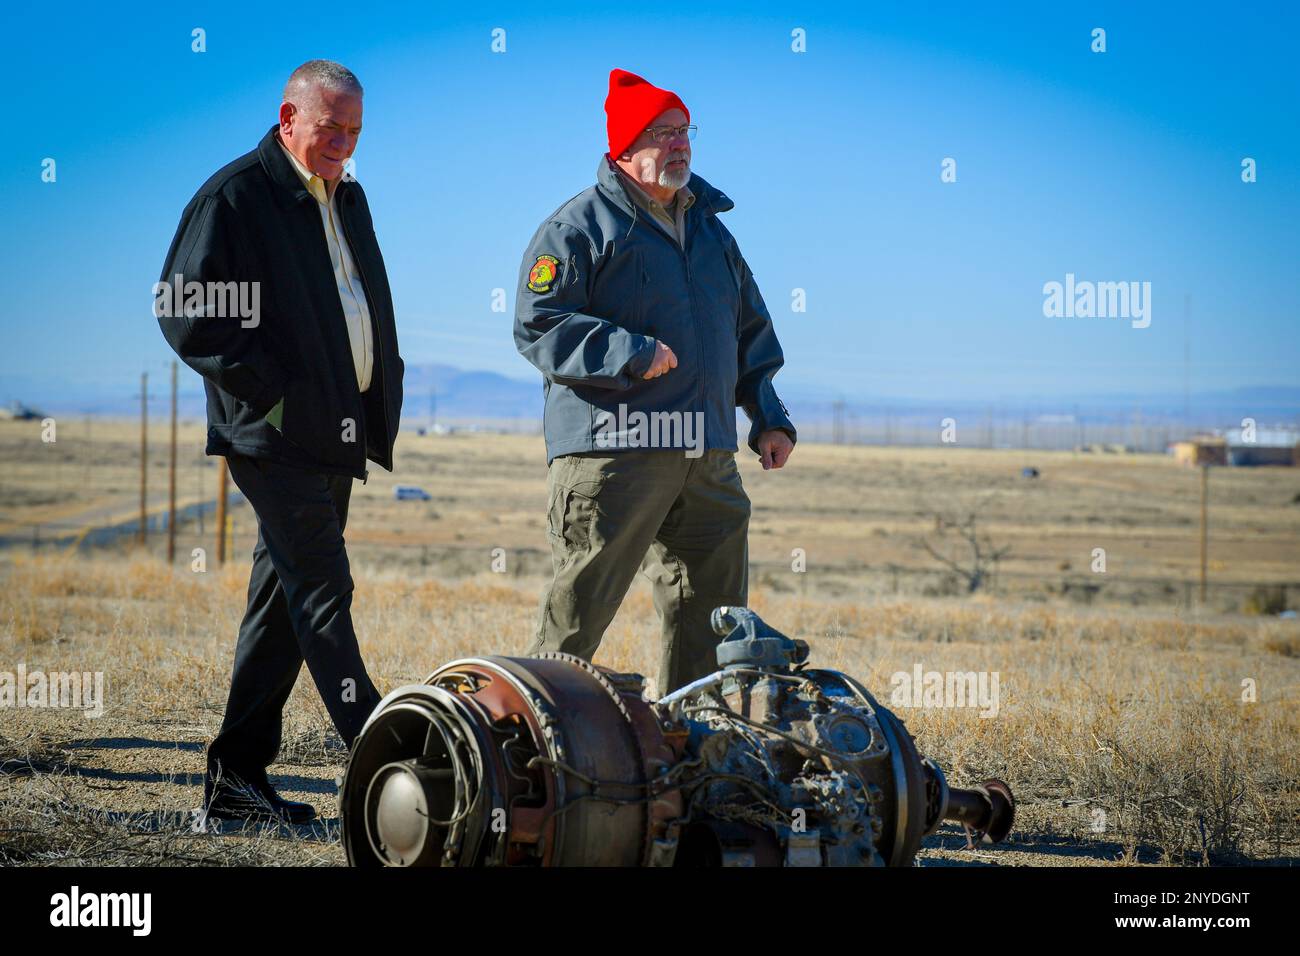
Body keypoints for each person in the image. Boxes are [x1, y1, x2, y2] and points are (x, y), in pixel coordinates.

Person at [156, 59, 403, 825]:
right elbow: (184, 308)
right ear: (289, 117)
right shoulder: (235, 197)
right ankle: (392, 766)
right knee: (325, 591)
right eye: (331, 128)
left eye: (356, 131)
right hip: (274, 436)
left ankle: (234, 784)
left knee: (283, 605)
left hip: (336, 434)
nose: (343, 144)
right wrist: (276, 396)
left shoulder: (346, 197)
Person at [513, 68, 796, 696]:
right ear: (623, 146)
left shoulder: (712, 233)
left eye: (683, 131)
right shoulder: (577, 229)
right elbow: (538, 323)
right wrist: (628, 351)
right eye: (661, 133)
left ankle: (694, 762)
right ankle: (524, 749)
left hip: (708, 455)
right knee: (576, 621)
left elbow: (749, 328)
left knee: (715, 620)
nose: (679, 145)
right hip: (613, 451)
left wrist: (768, 414)